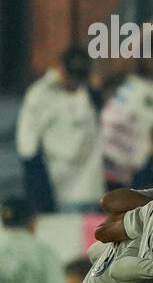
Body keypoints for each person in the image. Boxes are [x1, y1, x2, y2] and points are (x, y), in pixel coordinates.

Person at [15, 46, 104, 212]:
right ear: (61, 68)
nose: (74, 81)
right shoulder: (40, 94)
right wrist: (38, 190)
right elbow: (26, 145)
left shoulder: (89, 93)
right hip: (60, 191)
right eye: (71, 75)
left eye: (80, 77)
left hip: (92, 188)